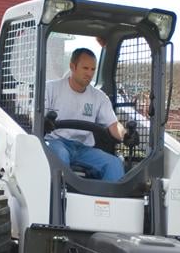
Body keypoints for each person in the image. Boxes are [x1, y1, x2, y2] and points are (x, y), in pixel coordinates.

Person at [44, 48, 125, 181]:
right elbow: (34, 115)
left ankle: (109, 201)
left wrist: (125, 135)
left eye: (93, 69)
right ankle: (59, 199)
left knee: (114, 164)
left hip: (83, 149)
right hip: (56, 142)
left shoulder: (99, 97)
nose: (89, 73)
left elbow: (114, 125)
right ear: (72, 67)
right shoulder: (51, 88)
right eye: (85, 68)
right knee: (61, 156)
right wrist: (44, 121)